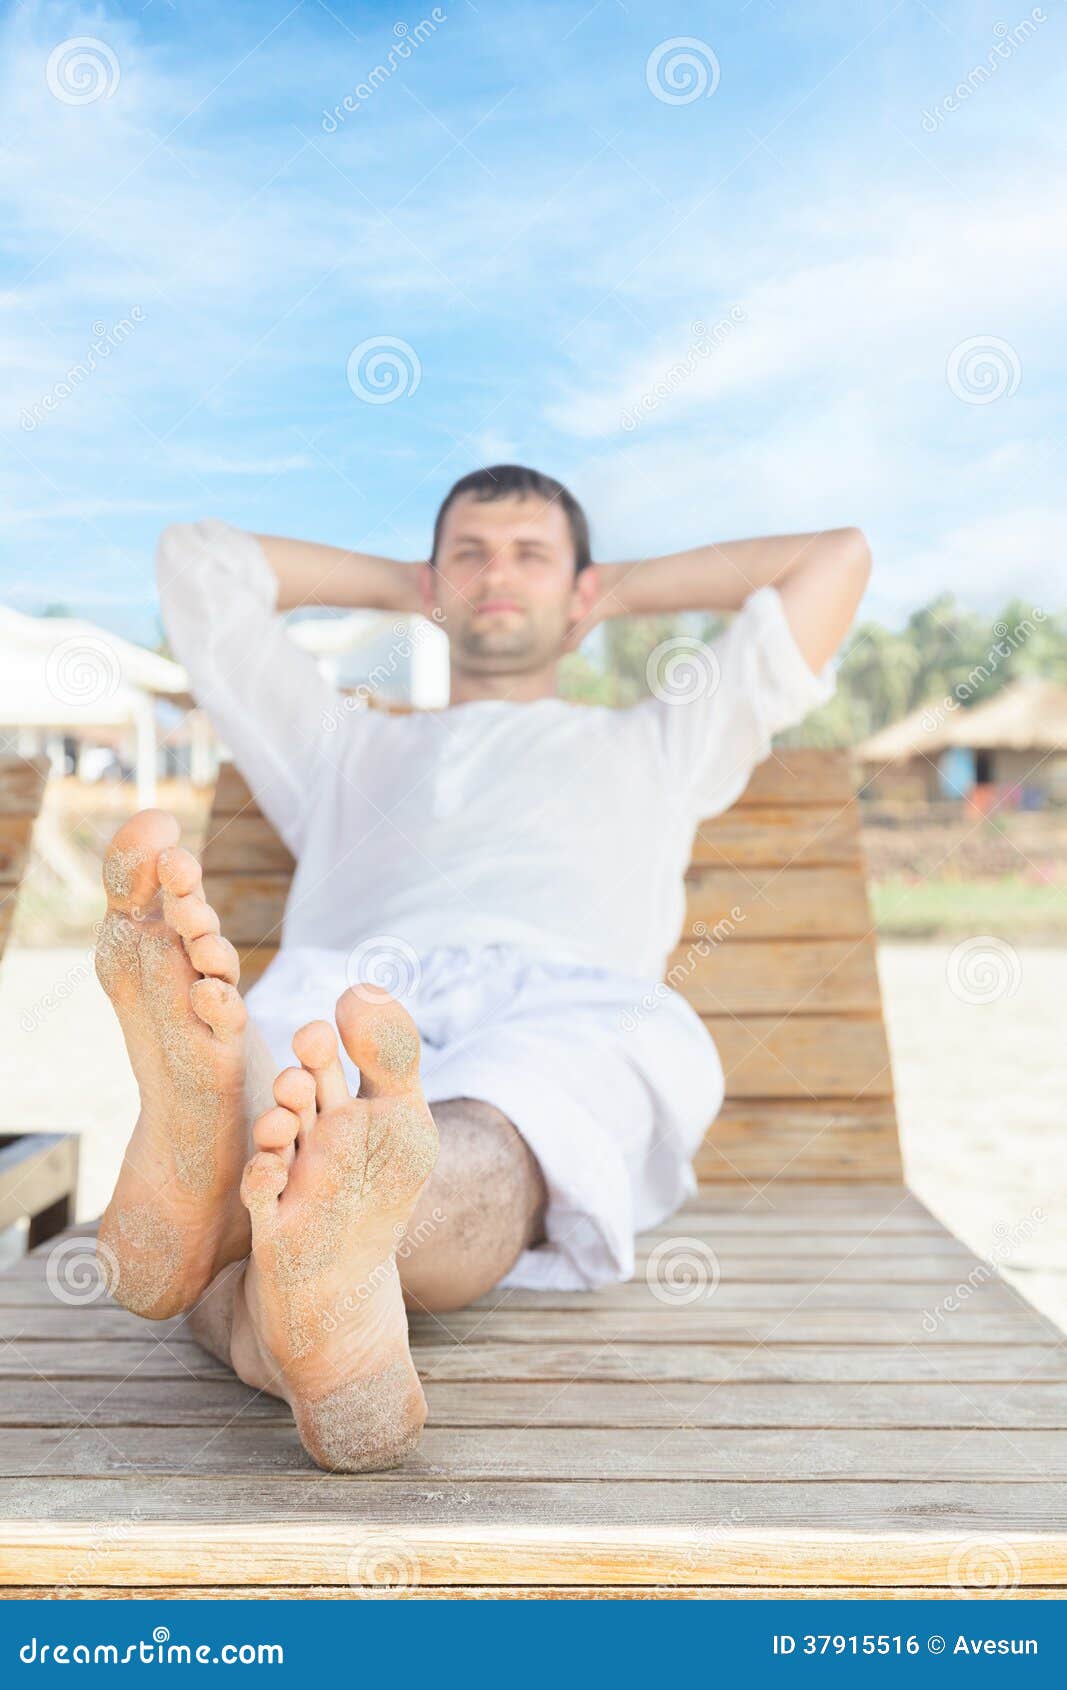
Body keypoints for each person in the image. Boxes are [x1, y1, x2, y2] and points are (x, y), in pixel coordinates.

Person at [94, 464, 869, 1471]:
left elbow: (837, 558)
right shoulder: (337, 749)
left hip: (565, 1006)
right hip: (352, 992)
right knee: (298, 1102)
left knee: (480, 1127)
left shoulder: (663, 739)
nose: (496, 574)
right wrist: (417, 585)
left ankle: (243, 1237)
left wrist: (609, 590)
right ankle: (295, 1273)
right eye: (470, 554)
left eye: (529, 555)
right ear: (431, 582)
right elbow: (197, 563)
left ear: (581, 588)